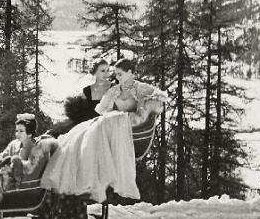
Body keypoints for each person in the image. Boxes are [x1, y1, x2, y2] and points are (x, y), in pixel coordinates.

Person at [41, 58, 166, 202]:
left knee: (100, 124)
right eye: (116, 74)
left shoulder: (141, 88)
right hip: (113, 123)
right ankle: (81, 176)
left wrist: (144, 108)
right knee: (86, 130)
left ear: (130, 73)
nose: (116, 77)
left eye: (120, 74)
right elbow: (101, 109)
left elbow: (159, 99)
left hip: (129, 124)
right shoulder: (114, 90)